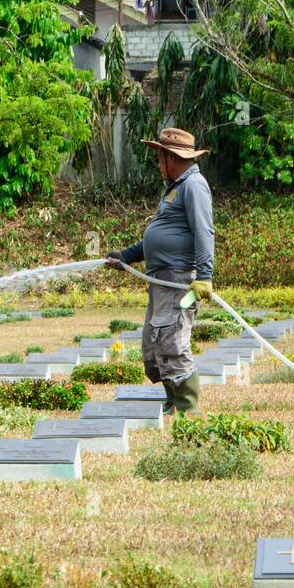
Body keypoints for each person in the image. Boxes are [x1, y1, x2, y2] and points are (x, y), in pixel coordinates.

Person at [105, 127, 214, 414]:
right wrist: (126, 256)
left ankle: (187, 409)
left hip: (178, 280)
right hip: (160, 280)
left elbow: (204, 232)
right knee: (154, 345)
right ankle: (171, 402)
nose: (157, 163)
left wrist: (204, 276)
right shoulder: (174, 187)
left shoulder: (194, 185)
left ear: (171, 157)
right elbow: (160, 234)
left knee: (172, 342)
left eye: (159, 157)